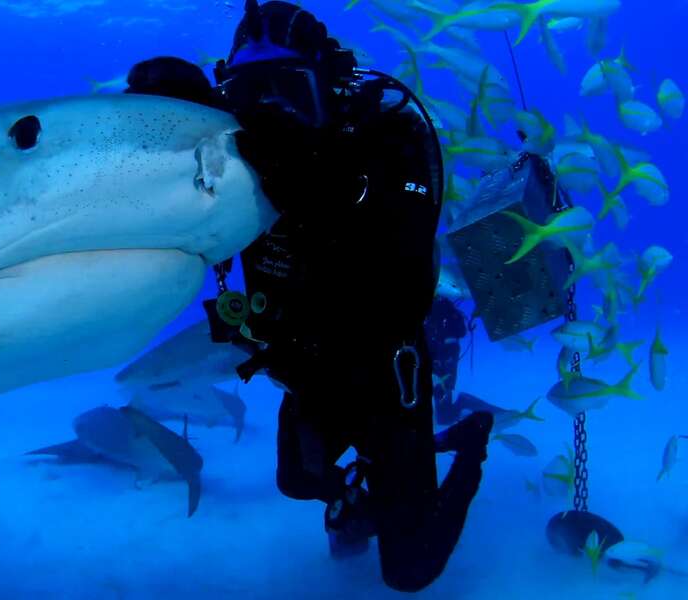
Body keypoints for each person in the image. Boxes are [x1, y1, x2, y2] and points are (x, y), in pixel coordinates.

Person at [123, 1, 494, 592]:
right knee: (298, 483)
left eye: (288, 88)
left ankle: (470, 442)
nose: (268, 110)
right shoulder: (231, 154)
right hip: (305, 368)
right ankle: (375, 480)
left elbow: (402, 280)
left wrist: (302, 177)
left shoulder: (390, 133)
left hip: (384, 369)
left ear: (330, 82)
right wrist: (170, 113)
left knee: (409, 571)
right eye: (251, 91)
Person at [425, 295, 469, 425]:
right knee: (442, 409)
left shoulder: (441, 309)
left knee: (443, 416)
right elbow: (462, 332)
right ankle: (459, 406)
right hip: (444, 358)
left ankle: (463, 403)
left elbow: (460, 332)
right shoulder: (449, 309)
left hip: (441, 360)